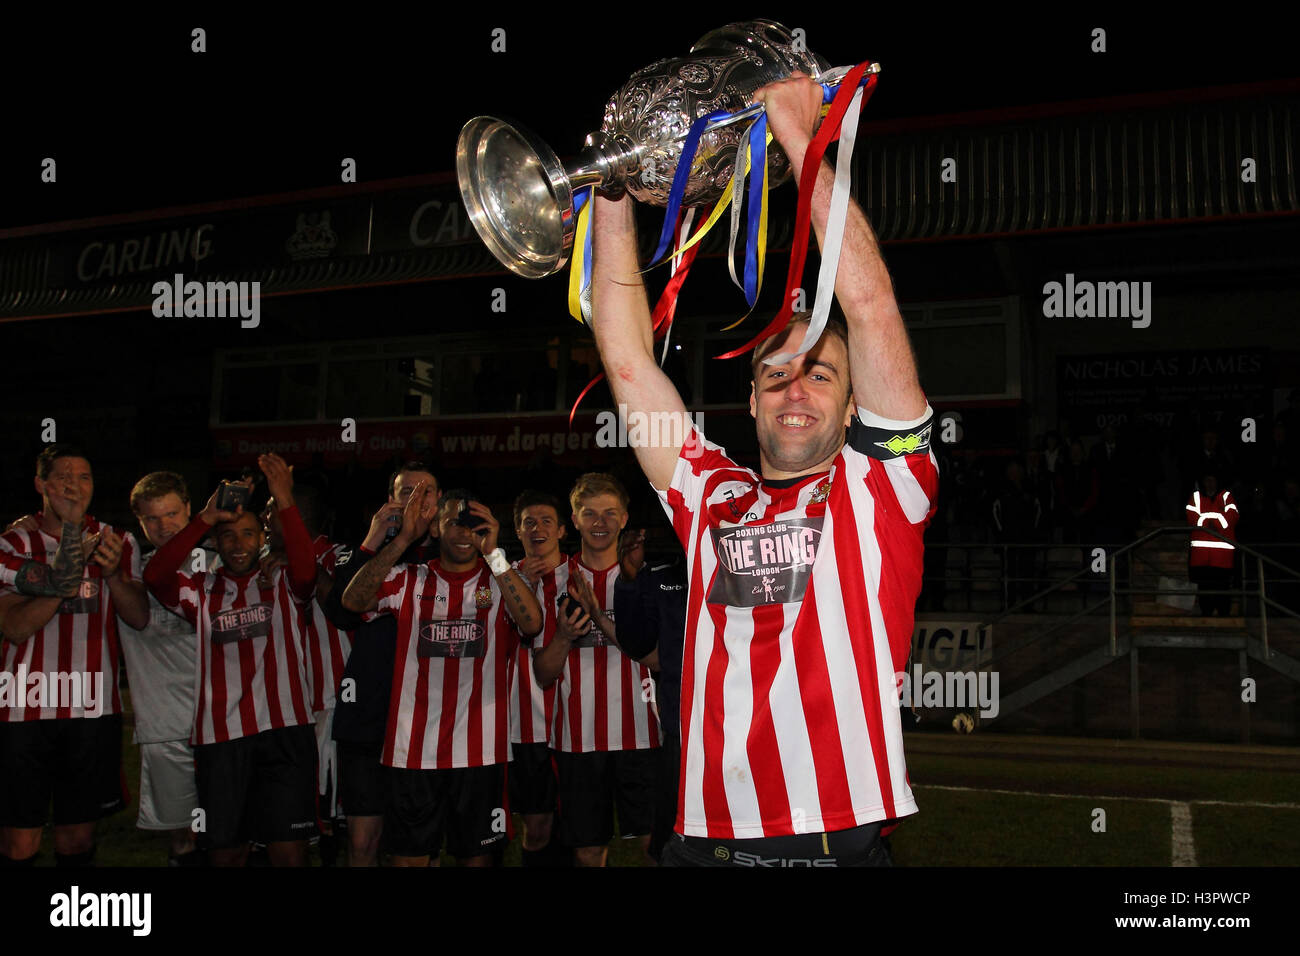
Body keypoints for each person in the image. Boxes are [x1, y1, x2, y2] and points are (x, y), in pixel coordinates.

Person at [589, 73, 937, 866]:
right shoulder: (708, 492)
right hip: (701, 843)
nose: (795, 388)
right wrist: (610, 191)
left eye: (821, 373)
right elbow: (628, 359)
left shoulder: (883, 489)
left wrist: (802, 143)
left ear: (854, 405)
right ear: (750, 401)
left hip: (830, 844)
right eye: (775, 374)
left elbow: (872, 307)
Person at [340, 488, 542, 867]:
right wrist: (403, 539)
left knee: (478, 861)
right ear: (435, 527)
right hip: (412, 752)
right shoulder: (408, 580)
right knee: (408, 861)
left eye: (474, 525)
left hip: (480, 752)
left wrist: (494, 553)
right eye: (454, 523)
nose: (464, 533)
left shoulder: (499, 580)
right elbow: (352, 601)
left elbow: (532, 624)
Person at [143, 454, 318, 867]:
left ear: (263, 538)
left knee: (288, 853)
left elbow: (308, 571)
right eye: (228, 536)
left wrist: (284, 499)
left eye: (248, 534)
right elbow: (154, 577)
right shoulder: (201, 589)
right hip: (221, 740)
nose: (239, 545)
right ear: (216, 544)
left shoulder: (282, 579)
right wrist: (204, 519)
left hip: (285, 732)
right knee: (225, 853)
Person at [0, 445, 149, 868]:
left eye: (83, 477)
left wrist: (112, 577)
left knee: (77, 840)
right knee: (19, 842)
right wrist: (64, 577)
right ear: (40, 484)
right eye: (63, 477)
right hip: (21, 709)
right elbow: (15, 627)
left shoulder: (117, 541)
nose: (74, 486)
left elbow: (139, 617)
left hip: (90, 708)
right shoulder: (14, 543)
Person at [532, 474, 661, 867]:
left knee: (654, 846)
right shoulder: (552, 581)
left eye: (609, 513)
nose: (600, 522)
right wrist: (563, 636)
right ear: (574, 520)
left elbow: (658, 660)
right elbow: (543, 674)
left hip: (643, 734)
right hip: (578, 739)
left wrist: (603, 621)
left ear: (624, 519)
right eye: (589, 514)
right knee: (588, 851)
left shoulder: (646, 579)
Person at [323, 461, 439, 866]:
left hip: (426, 722)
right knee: (363, 844)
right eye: (407, 491)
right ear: (390, 500)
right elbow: (342, 612)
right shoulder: (367, 550)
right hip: (367, 716)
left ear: (439, 501)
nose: (416, 499)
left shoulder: (452, 551)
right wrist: (376, 538)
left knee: (419, 848)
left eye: (426, 492)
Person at [118, 471, 207, 866]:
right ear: (139, 521)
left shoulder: (223, 561)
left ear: (189, 509)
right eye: (152, 518)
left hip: (225, 722)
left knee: (230, 833)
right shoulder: (131, 573)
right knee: (182, 838)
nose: (164, 525)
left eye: (171, 513)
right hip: (165, 724)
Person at [611, 527, 685, 864]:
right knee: (670, 846)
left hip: (745, 728)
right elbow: (638, 644)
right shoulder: (662, 576)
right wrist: (628, 581)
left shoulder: (746, 566)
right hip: (682, 732)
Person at [507, 490, 571, 868]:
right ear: (517, 531)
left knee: (580, 828)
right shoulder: (502, 579)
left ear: (562, 530)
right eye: (528, 522)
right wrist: (521, 583)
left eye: (546, 521)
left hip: (577, 724)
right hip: (525, 725)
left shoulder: (581, 574)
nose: (537, 528)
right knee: (537, 828)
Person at [1185, 472, 1239, 616]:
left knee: (1223, 589)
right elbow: (1191, 517)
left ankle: (1223, 616)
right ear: (1203, 482)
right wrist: (1210, 522)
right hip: (1201, 557)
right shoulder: (1196, 497)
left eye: (1212, 480)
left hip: (1222, 557)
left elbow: (1233, 516)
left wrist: (1212, 522)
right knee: (1204, 589)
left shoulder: (1226, 496)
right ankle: (1206, 615)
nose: (1210, 483)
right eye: (1207, 480)